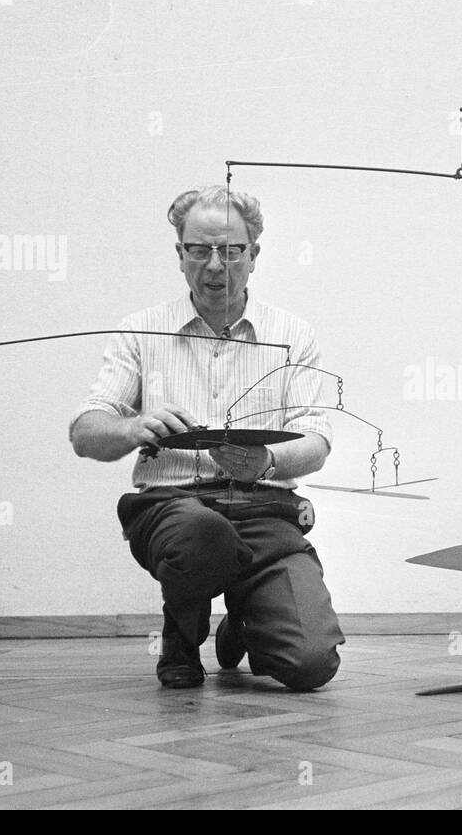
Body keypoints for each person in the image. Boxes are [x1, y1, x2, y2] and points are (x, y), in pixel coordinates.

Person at [69, 185, 343, 690]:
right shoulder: (140, 331)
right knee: (205, 534)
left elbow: (318, 441)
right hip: (174, 510)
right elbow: (85, 433)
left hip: (265, 514)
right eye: (199, 249)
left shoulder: (293, 335)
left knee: (310, 664)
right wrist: (131, 427)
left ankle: (243, 617)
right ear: (180, 255)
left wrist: (264, 464)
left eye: (231, 250)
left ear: (253, 256)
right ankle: (181, 636)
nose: (215, 265)